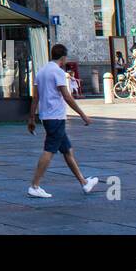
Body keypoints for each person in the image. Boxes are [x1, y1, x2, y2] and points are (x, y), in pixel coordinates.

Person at [27, 43, 99, 198]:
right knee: (49, 151)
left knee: (67, 150)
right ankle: (34, 185)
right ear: (63, 57)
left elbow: (35, 97)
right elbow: (67, 96)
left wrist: (32, 117)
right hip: (56, 117)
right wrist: (83, 115)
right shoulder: (58, 72)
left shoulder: (41, 72)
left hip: (46, 116)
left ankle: (84, 182)